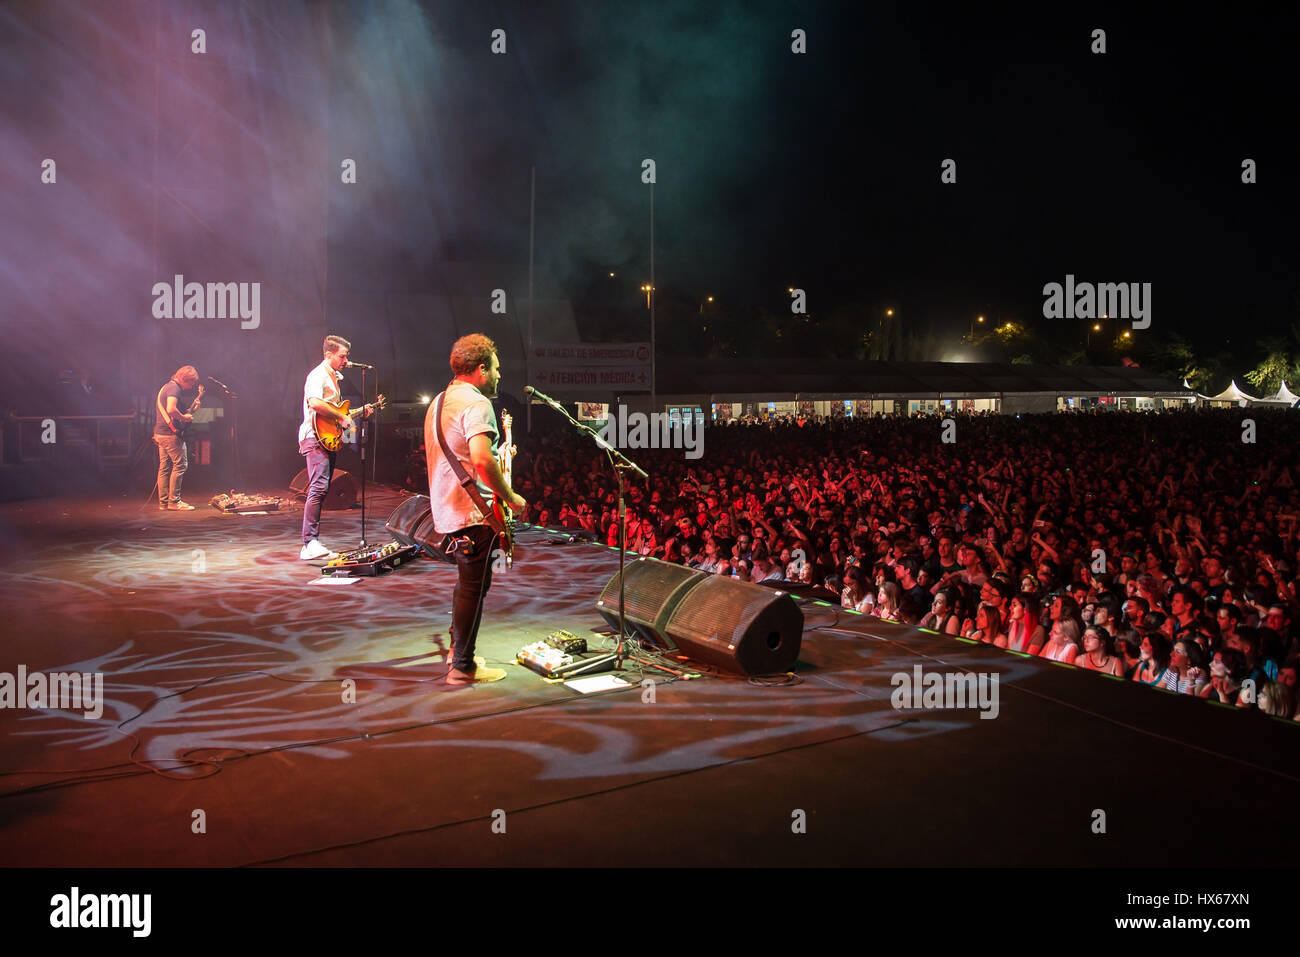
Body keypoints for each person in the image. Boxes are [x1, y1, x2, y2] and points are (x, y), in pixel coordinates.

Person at [426, 334, 527, 685]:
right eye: (496, 368)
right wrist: (511, 496)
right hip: (474, 513)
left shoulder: (439, 401)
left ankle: (458, 652)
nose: (500, 375)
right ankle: (462, 668)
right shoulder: (477, 404)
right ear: (481, 369)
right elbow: (482, 461)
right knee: (473, 587)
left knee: (468, 584)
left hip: (448, 509)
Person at [298, 336, 375, 560]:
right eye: (342, 356)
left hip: (325, 438)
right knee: (319, 488)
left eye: (346, 356)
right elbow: (315, 403)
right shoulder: (317, 375)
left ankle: (311, 541)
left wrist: (358, 413)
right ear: (328, 355)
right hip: (314, 437)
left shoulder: (334, 379)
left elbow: (337, 416)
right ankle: (309, 542)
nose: (345, 360)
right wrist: (342, 415)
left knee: (321, 488)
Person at [154, 365, 201, 510]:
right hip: (170, 435)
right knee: (180, 465)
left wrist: (189, 412)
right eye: (191, 383)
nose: (191, 386)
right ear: (183, 379)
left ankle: (164, 503)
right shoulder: (174, 388)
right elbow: (171, 409)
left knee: (165, 468)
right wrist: (185, 417)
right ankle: (174, 502)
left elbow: (171, 413)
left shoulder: (166, 387)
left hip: (161, 433)